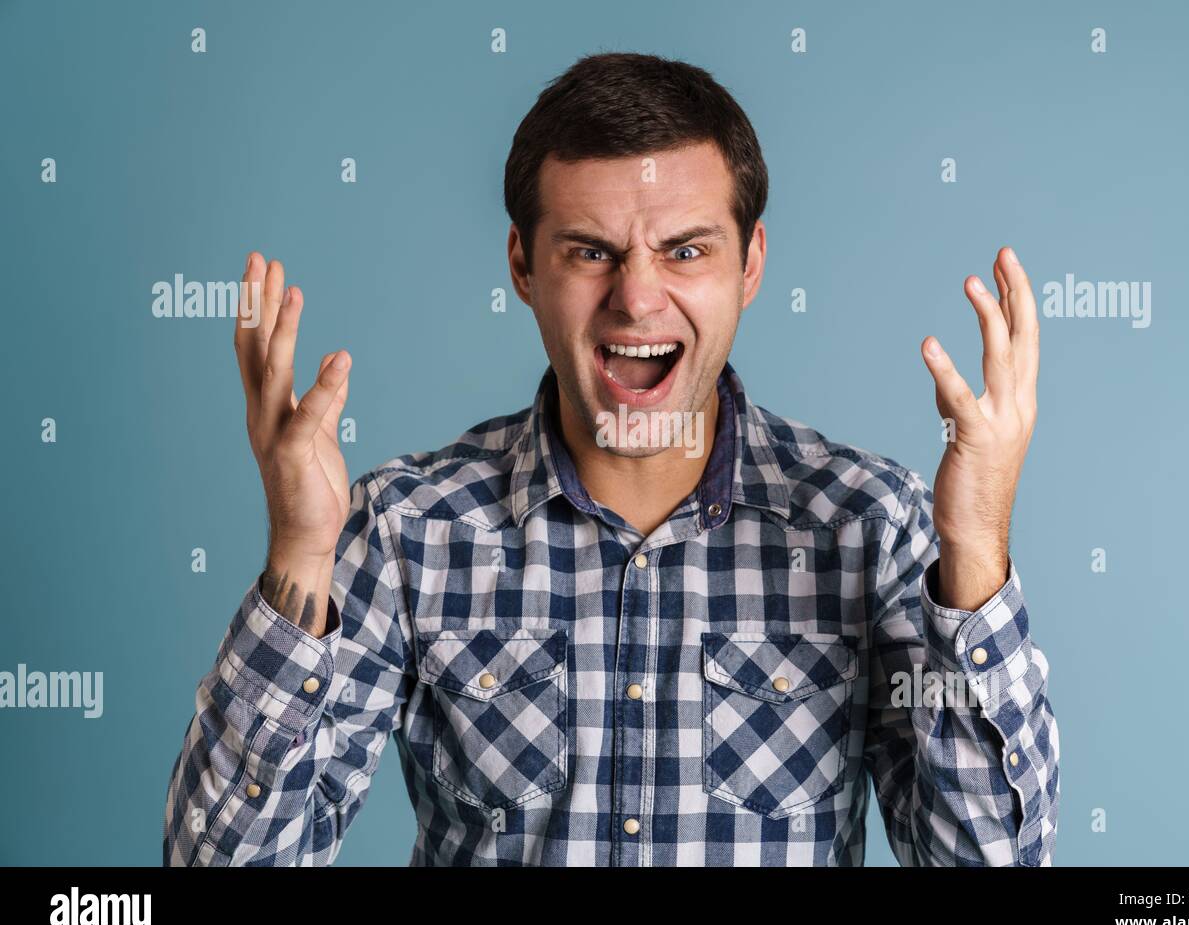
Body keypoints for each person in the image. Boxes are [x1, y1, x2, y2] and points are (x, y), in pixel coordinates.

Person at [163, 52, 1058, 867]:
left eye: (686, 251)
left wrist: (975, 547)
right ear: (523, 264)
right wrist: (299, 553)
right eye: (590, 251)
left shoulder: (870, 524)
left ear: (750, 264)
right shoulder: (408, 529)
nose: (637, 297)